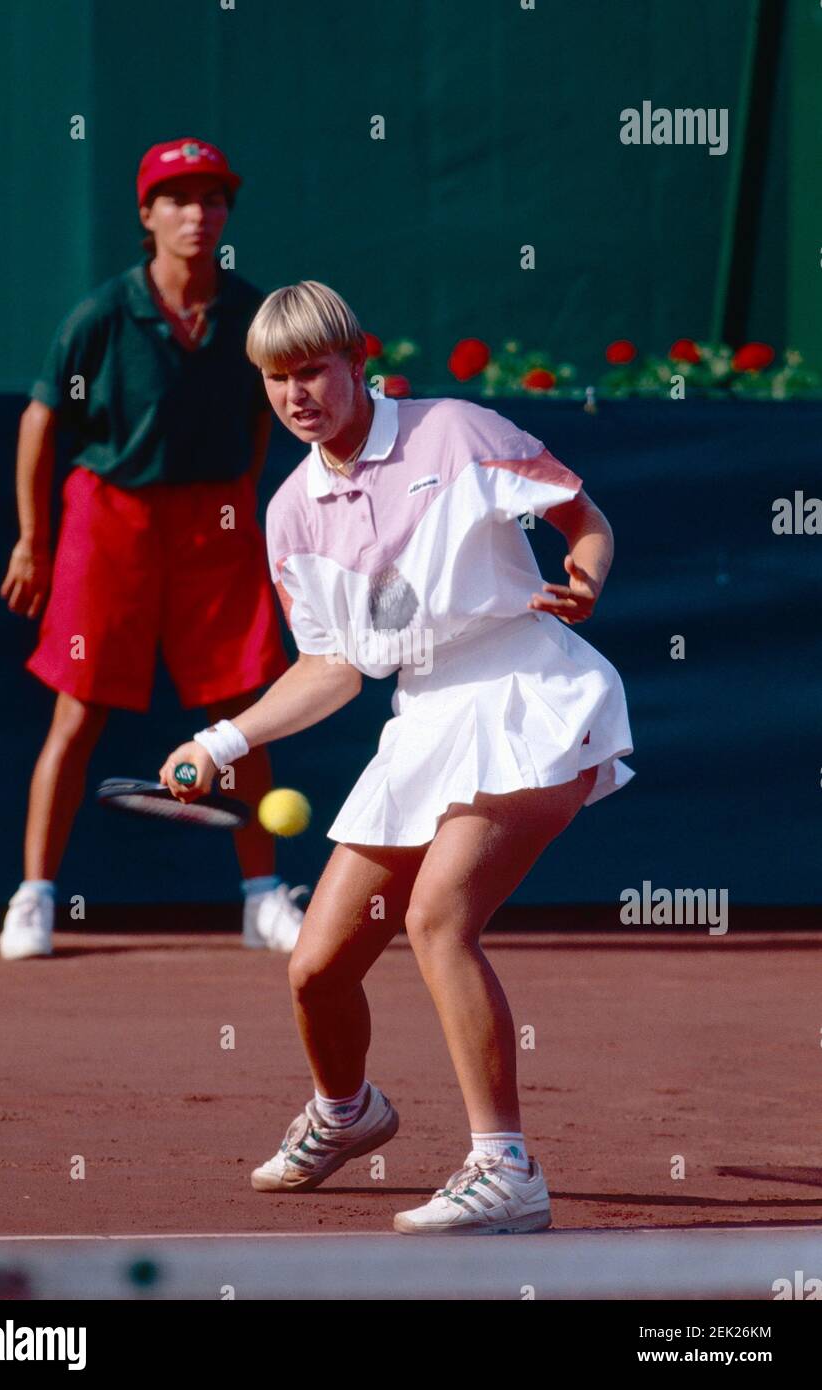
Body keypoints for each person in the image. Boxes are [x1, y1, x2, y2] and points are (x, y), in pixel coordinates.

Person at [158, 280, 635, 1235]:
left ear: (355, 364)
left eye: (312, 372)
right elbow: (332, 668)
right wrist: (221, 739)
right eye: (274, 379)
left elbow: (585, 520)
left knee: (438, 919)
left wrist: (581, 579)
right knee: (317, 967)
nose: (297, 395)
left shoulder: (455, 430)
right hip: (419, 721)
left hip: (527, 693)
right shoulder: (291, 511)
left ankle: (505, 1169)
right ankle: (348, 1113)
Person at [0, 138, 307, 961]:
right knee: (79, 711)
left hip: (215, 524)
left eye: (211, 200)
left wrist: (238, 506)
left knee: (244, 717)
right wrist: (34, 540)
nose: (197, 215)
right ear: (147, 216)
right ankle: (34, 898)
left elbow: (260, 418)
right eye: (177, 200)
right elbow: (42, 420)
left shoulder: (251, 312)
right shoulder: (101, 314)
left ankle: (261, 899)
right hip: (112, 519)